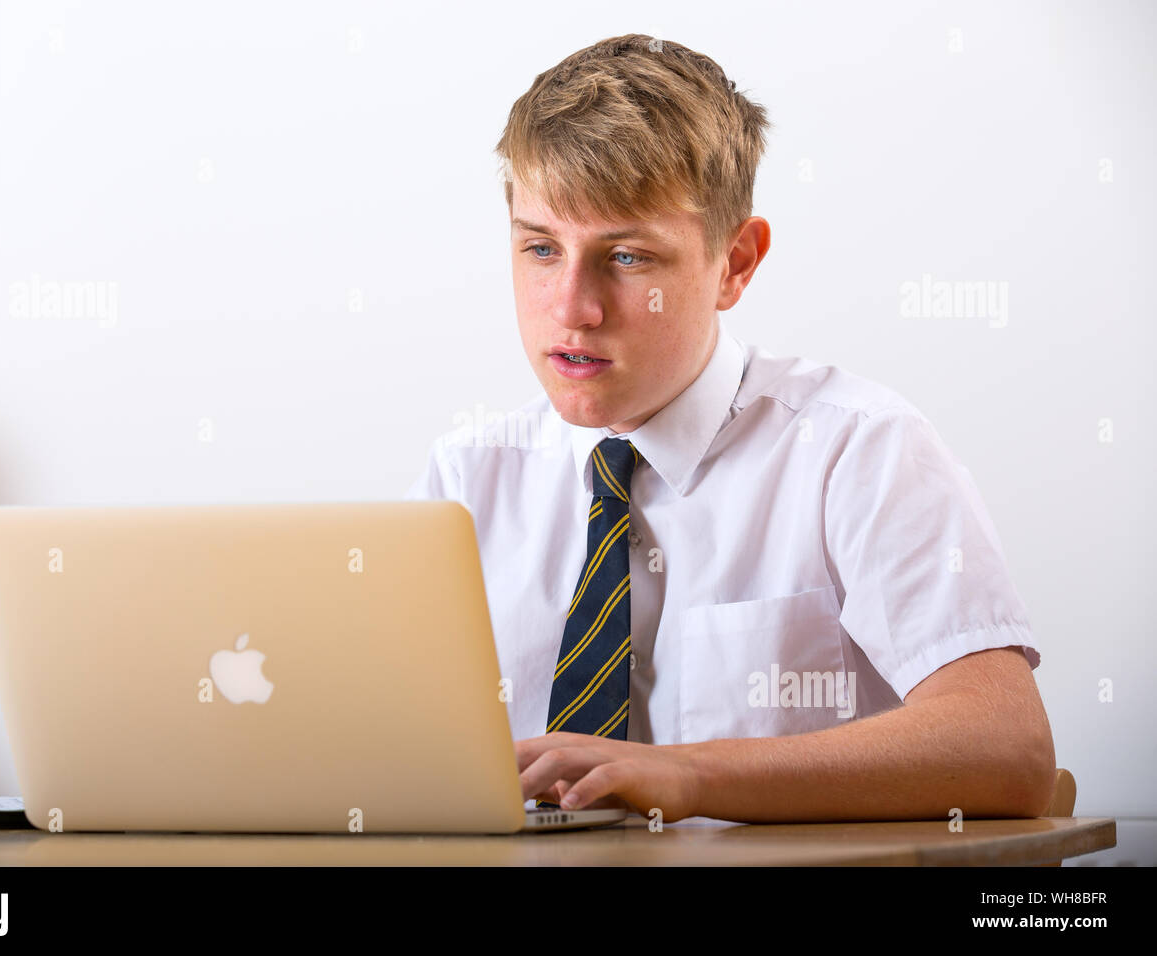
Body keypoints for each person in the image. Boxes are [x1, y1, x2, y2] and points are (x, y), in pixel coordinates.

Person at [406, 34, 1055, 823]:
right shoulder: (463, 482)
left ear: (736, 263)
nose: (572, 307)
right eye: (541, 248)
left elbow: (1007, 749)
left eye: (630, 258)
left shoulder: (858, 451)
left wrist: (688, 777)